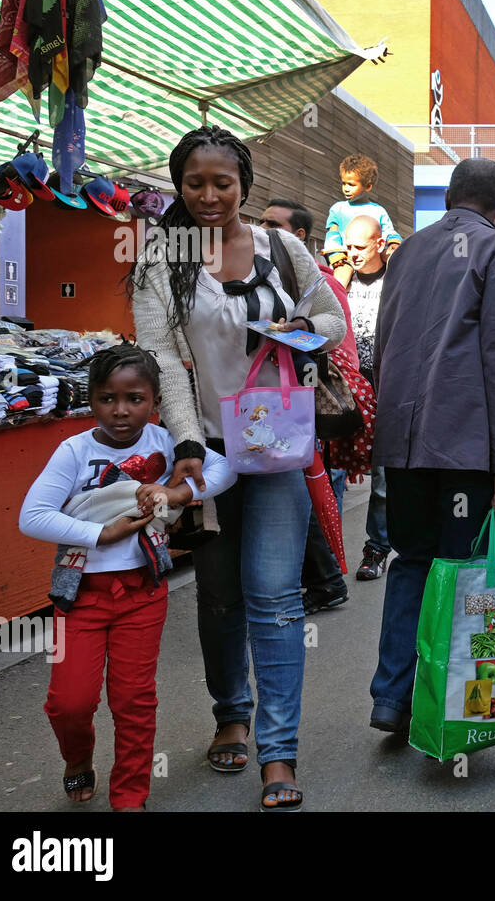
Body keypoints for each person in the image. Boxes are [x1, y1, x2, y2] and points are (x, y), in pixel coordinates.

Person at [129, 125, 348, 811]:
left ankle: (278, 755)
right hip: (210, 455)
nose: (209, 195)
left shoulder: (281, 247)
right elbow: (160, 358)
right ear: (179, 186)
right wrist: (188, 445)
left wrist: (292, 334)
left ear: (243, 186)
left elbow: (331, 318)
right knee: (220, 594)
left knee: (274, 596)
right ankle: (232, 711)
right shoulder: (161, 259)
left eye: (222, 182)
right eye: (194, 182)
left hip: (278, 448)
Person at [367, 157, 495, 735]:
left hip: (407, 440)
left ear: (448, 197)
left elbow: (385, 348)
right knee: (467, 573)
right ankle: (454, 708)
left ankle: (392, 699)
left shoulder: (407, 254)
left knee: (412, 562)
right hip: (468, 446)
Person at [18, 345, 234, 810]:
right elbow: (32, 516)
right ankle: (77, 760)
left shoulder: (165, 442)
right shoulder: (74, 450)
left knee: (134, 701)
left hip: (143, 593)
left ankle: (129, 797)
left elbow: (223, 469)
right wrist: (102, 533)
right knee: (69, 703)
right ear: (90, 401)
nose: (120, 411)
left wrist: (177, 490)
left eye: (134, 398)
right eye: (106, 398)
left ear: (155, 400)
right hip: (80, 598)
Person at [260, 198, 356, 613]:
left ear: (298, 237)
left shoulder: (320, 283)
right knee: (303, 484)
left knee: (306, 485)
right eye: (259, 221)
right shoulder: (262, 273)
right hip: (278, 398)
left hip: (300, 397)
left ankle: (325, 578)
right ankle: (323, 578)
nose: (261, 230)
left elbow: (338, 341)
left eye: (272, 225)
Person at [343, 215, 396, 582]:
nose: (351, 253)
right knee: (330, 472)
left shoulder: (397, 280)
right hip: (343, 390)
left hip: (385, 388)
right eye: (347, 246)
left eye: (359, 246)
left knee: (382, 477)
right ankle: (323, 564)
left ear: (379, 243)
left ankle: (376, 547)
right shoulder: (340, 281)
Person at [322, 153, 401, 277]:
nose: (346, 188)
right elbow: (332, 235)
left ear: (368, 186)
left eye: (351, 185)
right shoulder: (338, 209)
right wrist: (336, 254)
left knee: (394, 260)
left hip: (374, 257)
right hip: (347, 258)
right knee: (343, 274)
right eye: (344, 183)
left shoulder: (378, 210)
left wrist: (394, 244)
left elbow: (389, 232)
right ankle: (336, 296)